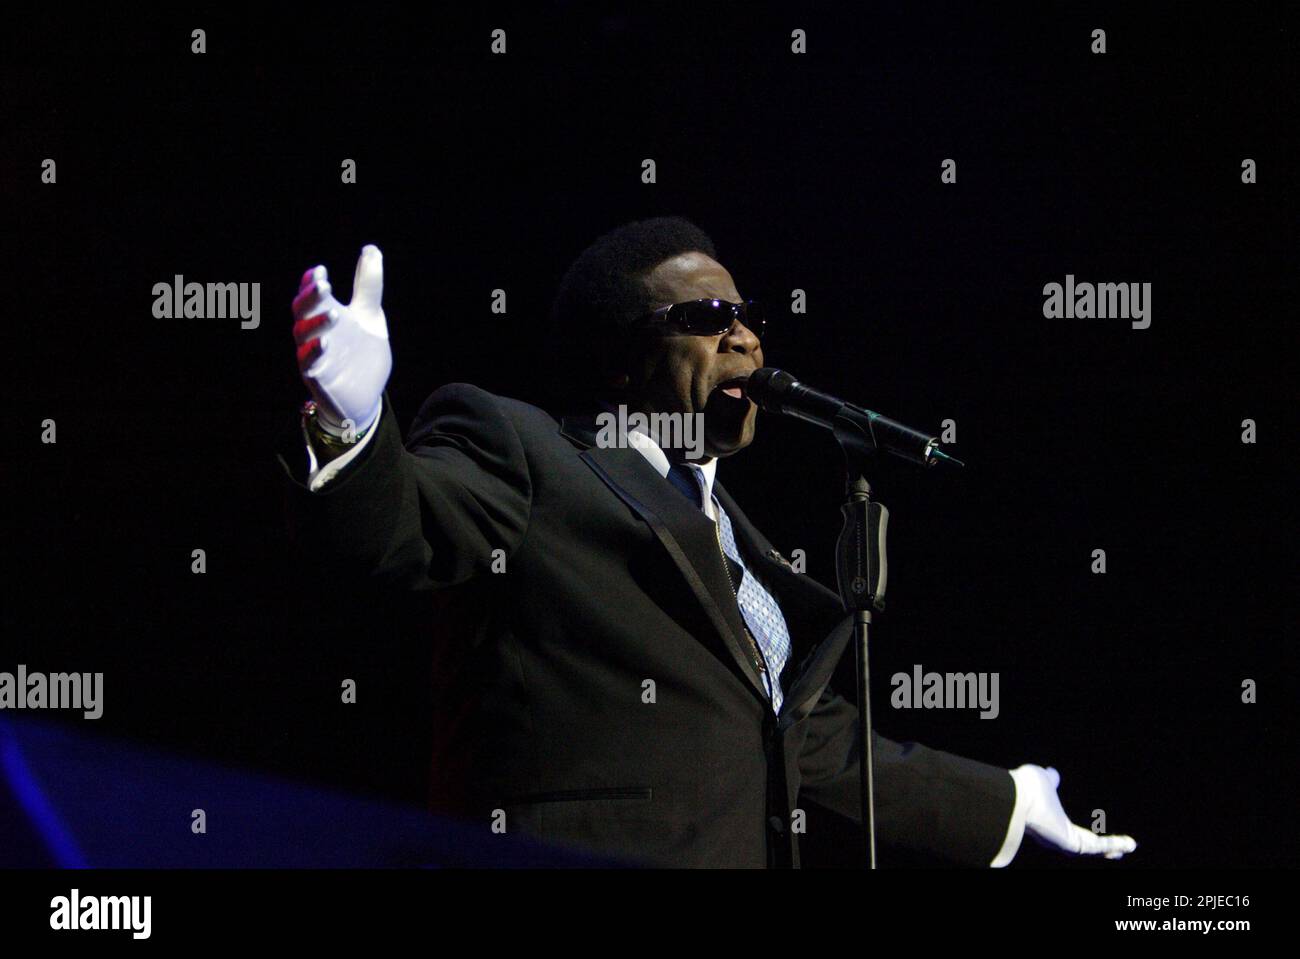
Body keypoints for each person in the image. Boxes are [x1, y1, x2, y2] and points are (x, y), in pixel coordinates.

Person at [276, 216, 1137, 868]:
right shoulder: (527, 445)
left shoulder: (734, 539)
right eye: (707, 315)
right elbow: (406, 523)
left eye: (748, 314)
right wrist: (350, 426)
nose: (746, 335)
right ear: (622, 361)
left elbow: (804, 739)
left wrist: (1011, 801)